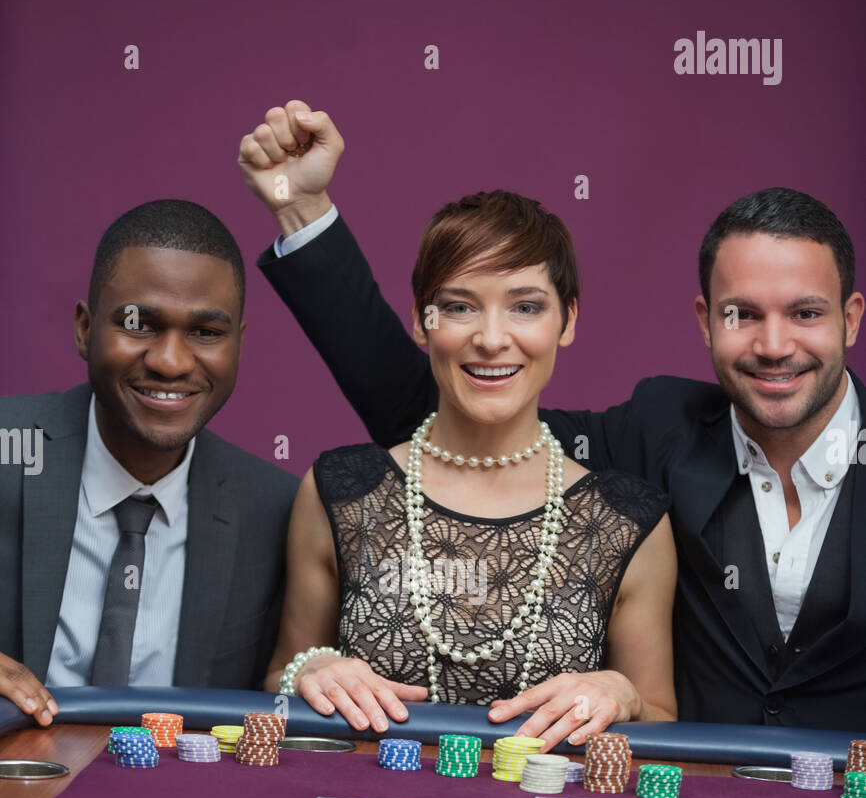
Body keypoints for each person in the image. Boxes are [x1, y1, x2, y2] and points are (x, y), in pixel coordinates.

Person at [239, 101, 865, 731]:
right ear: (706, 321)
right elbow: (452, 405)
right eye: (744, 314)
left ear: (851, 317)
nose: (775, 344)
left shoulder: (625, 508)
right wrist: (301, 208)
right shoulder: (656, 431)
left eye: (806, 313)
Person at [259, 186, 677, 749]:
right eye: (459, 307)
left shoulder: (630, 519)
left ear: (567, 320)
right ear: (421, 320)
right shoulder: (339, 492)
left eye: (526, 307)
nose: (491, 339)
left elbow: (661, 720)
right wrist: (308, 672)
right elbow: (277, 682)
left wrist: (622, 693)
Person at [0, 200, 298, 724]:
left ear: (238, 345)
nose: (170, 362)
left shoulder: (277, 510)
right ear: (83, 328)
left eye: (206, 333)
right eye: (139, 324)